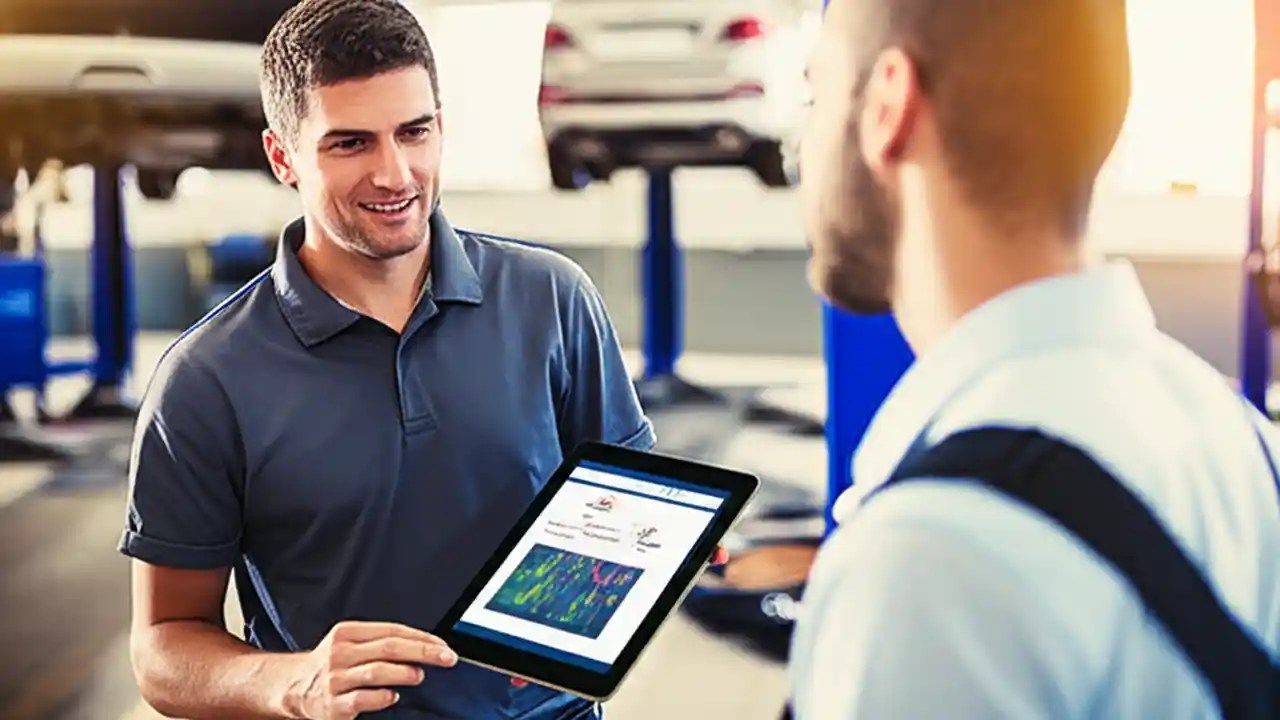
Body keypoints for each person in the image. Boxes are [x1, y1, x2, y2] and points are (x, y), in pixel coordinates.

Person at [119, 1, 671, 718]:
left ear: (440, 126)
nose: (394, 174)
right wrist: (292, 683)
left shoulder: (552, 301)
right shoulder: (205, 380)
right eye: (349, 144)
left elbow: (623, 514)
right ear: (282, 156)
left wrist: (658, 558)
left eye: (414, 132)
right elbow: (163, 646)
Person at [789, 0, 1280, 718]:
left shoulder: (931, 559)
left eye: (816, 95)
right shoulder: (1243, 443)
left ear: (887, 106)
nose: (802, 148)